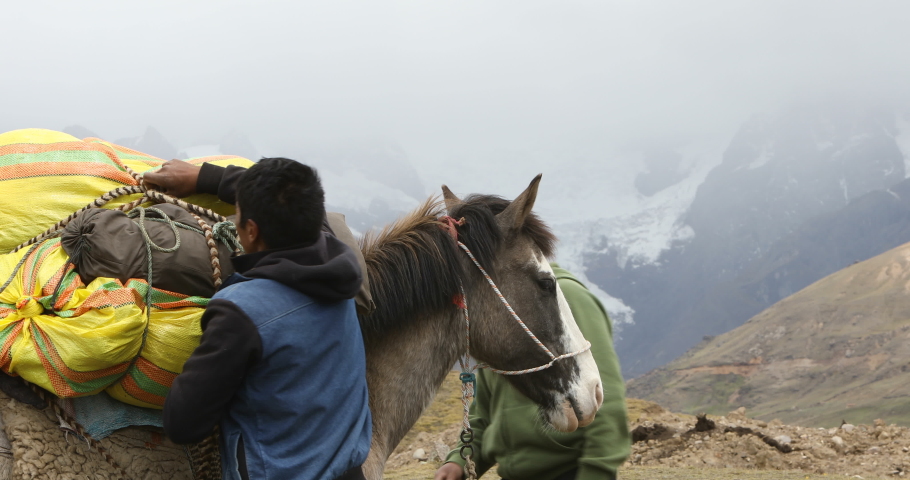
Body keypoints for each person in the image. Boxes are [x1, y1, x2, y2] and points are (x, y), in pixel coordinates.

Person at [159, 158, 372, 480]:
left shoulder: (241, 311)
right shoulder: (340, 263)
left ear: (252, 231)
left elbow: (184, 423)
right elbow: (289, 193)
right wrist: (204, 177)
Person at [435, 264, 630, 480]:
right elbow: (484, 414)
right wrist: (459, 462)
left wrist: (597, 473)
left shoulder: (568, 296)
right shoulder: (500, 309)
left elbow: (607, 403)